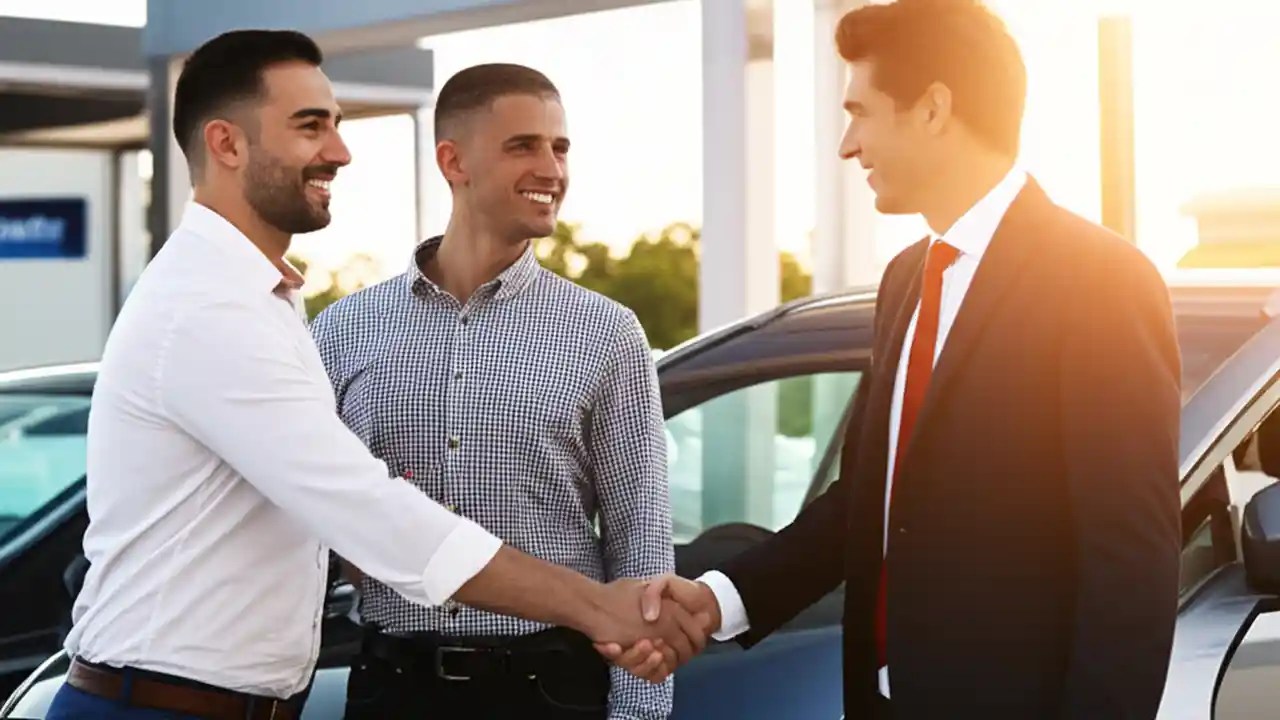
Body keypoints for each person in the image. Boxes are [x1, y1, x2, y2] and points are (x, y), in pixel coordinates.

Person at [47, 30, 705, 720]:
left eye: (335, 124)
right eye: (311, 126)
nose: (341, 149)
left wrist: (635, 690)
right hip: (193, 704)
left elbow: (637, 533)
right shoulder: (216, 311)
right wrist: (600, 606)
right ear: (227, 144)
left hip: (534, 687)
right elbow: (369, 514)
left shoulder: (262, 304)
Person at [618, 1, 1183, 718]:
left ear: (934, 109)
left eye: (861, 110)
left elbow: (1129, 564)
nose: (848, 144)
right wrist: (717, 600)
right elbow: (867, 502)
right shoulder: (908, 279)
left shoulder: (1100, 280)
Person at [309, 63, 674, 720]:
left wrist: (642, 712)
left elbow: (639, 540)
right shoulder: (342, 331)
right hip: (393, 685)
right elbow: (315, 519)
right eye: (523, 146)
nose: (552, 169)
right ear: (453, 160)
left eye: (559, 148)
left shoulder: (607, 334)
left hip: (548, 690)